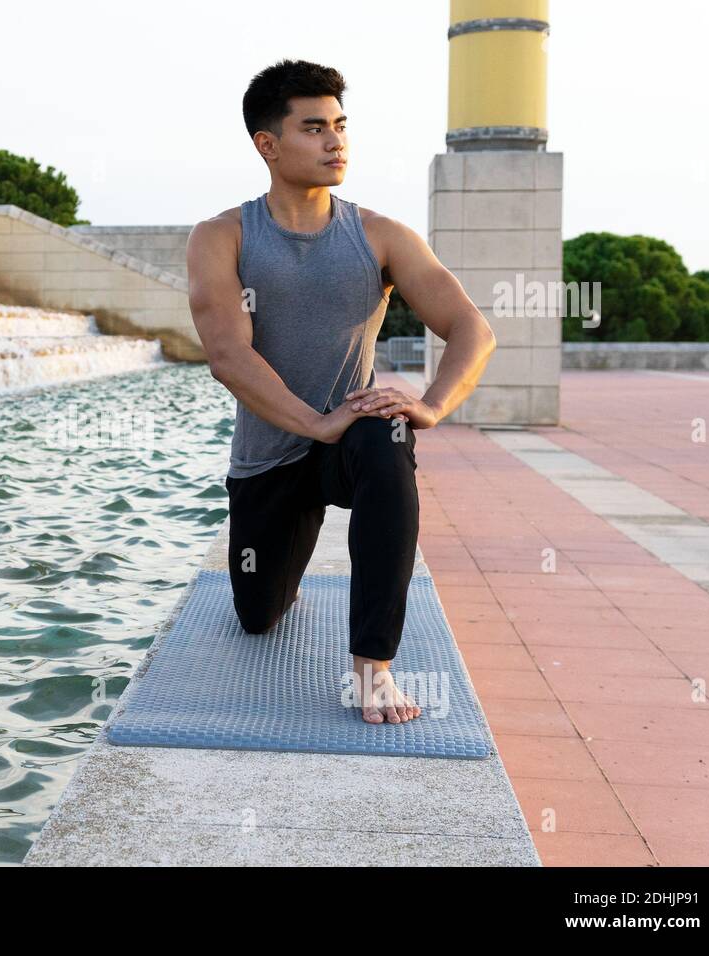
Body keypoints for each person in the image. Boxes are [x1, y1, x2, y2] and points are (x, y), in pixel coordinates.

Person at [185, 59, 496, 725]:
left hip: (346, 442)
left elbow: (471, 327)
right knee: (258, 615)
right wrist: (313, 423)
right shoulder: (223, 237)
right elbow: (227, 355)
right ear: (268, 144)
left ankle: (373, 668)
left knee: (388, 434)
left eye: (341, 127)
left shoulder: (379, 235)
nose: (336, 142)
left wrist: (432, 404)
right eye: (315, 128)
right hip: (272, 453)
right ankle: (281, 578)